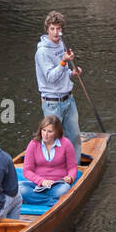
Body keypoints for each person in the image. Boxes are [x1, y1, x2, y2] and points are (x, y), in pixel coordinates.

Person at [34, 10, 83, 163]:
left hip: (68, 99)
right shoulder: (42, 52)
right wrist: (63, 61)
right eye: (52, 29)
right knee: (52, 139)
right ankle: (51, 168)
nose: (55, 32)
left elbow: (62, 72)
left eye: (58, 28)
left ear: (62, 29)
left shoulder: (61, 44)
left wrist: (71, 73)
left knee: (74, 136)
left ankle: (75, 168)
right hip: (52, 103)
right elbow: (50, 78)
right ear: (47, 29)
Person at [20, 114, 78, 205]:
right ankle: (53, 202)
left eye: (50, 131)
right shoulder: (33, 144)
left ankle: (35, 200)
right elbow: (27, 171)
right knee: (20, 189)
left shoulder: (66, 143)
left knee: (64, 189)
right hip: (38, 185)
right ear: (40, 130)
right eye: (44, 130)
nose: (45, 134)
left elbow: (73, 167)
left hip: (58, 185)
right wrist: (41, 181)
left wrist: (70, 177)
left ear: (57, 132)